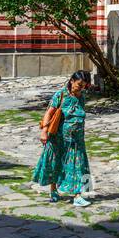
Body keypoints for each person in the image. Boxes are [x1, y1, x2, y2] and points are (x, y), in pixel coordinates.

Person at [32, 70, 93, 206]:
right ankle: (53, 190)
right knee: (56, 163)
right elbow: (49, 114)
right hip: (58, 138)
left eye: (84, 86)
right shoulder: (60, 95)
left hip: (77, 140)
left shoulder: (81, 96)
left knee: (79, 166)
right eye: (79, 84)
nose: (81, 88)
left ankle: (78, 195)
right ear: (72, 81)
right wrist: (44, 132)